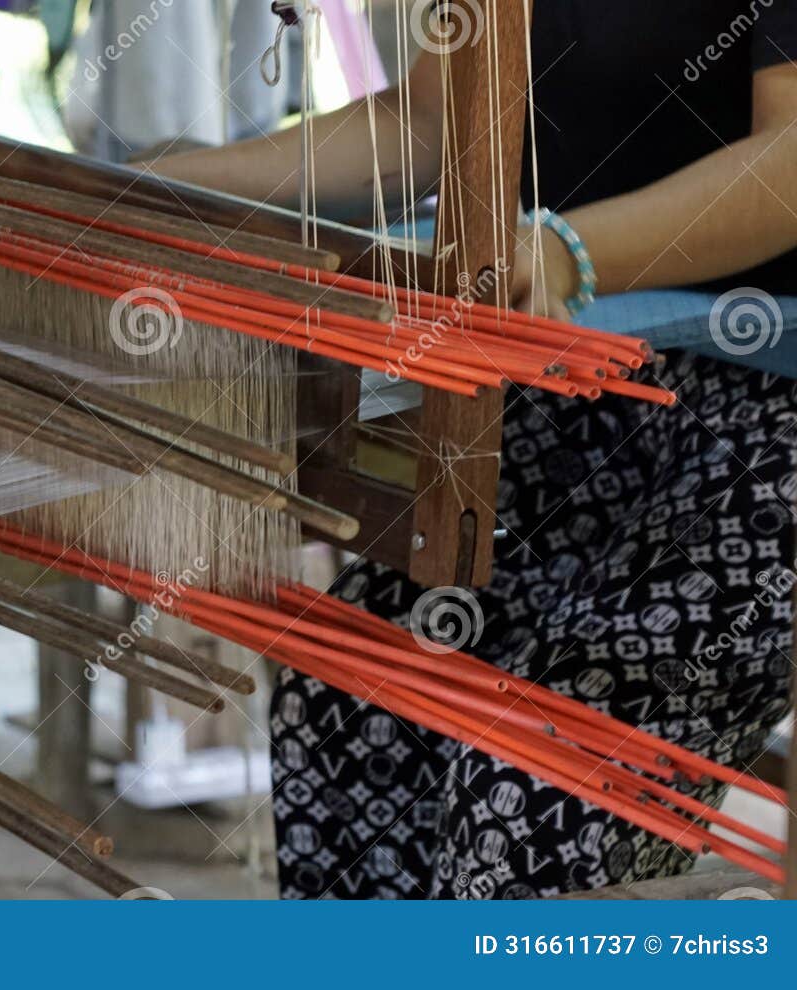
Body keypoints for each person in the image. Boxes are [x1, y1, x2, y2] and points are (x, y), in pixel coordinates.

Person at [149, 1, 797, 898]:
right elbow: (421, 125)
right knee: (351, 710)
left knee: (541, 779)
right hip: (577, 397)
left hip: (764, 431)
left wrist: (572, 251)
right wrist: (162, 189)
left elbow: (790, 165)